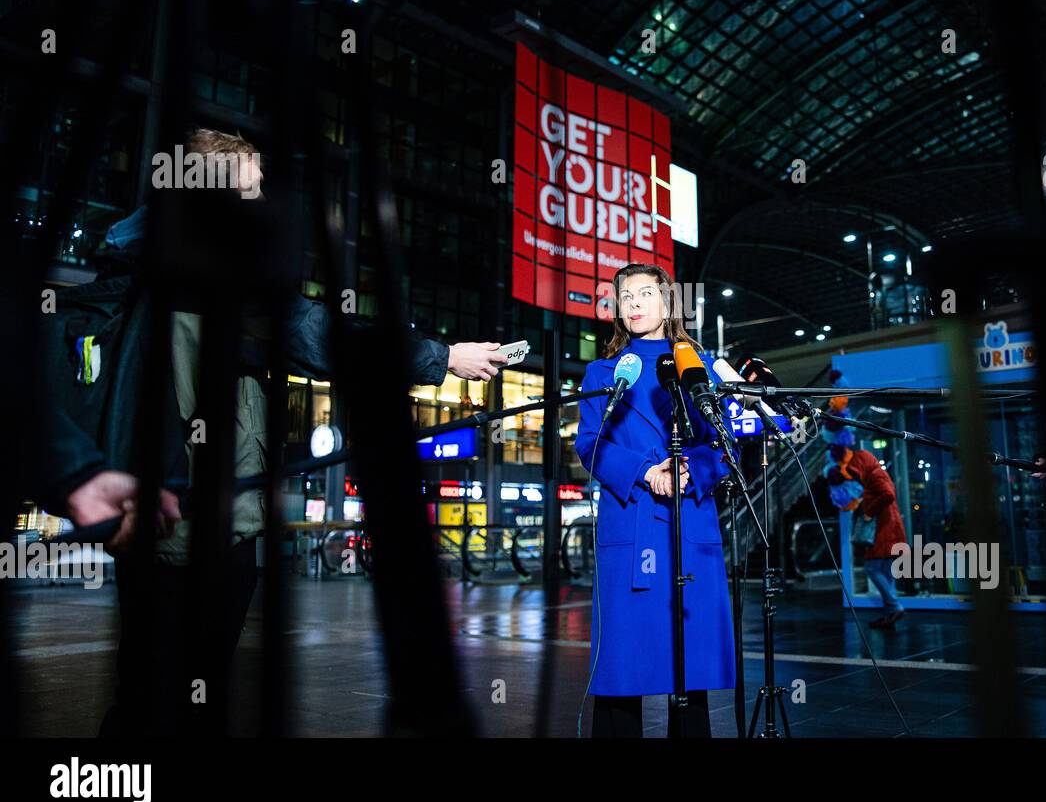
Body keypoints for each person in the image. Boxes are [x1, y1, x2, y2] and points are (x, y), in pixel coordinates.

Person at [40, 127, 506, 735]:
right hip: (205, 521)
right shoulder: (214, 273)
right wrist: (441, 358)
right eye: (252, 187)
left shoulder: (144, 265)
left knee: (146, 690)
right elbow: (323, 337)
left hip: (153, 513)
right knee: (181, 696)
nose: (261, 203)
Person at [574, 262, 734, 737]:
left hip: (689, 522)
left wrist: (688, 470)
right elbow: (590, 444)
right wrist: (644, 470)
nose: (635, 304)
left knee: (691, 667)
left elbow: (724, 443)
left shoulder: (697, 367)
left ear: (668, 302)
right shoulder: (603, 373)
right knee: (623, 668)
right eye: (625, 298)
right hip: (632, 522)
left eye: (645, 294)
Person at [826, 444, 908, 628]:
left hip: (884, 528)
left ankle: (894, 607)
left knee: (872, 568)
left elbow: (888, 495)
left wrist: (869, 511)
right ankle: (890, 613)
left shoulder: (876, 476)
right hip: (888, 526)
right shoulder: (872, 475)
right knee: (886, 572)